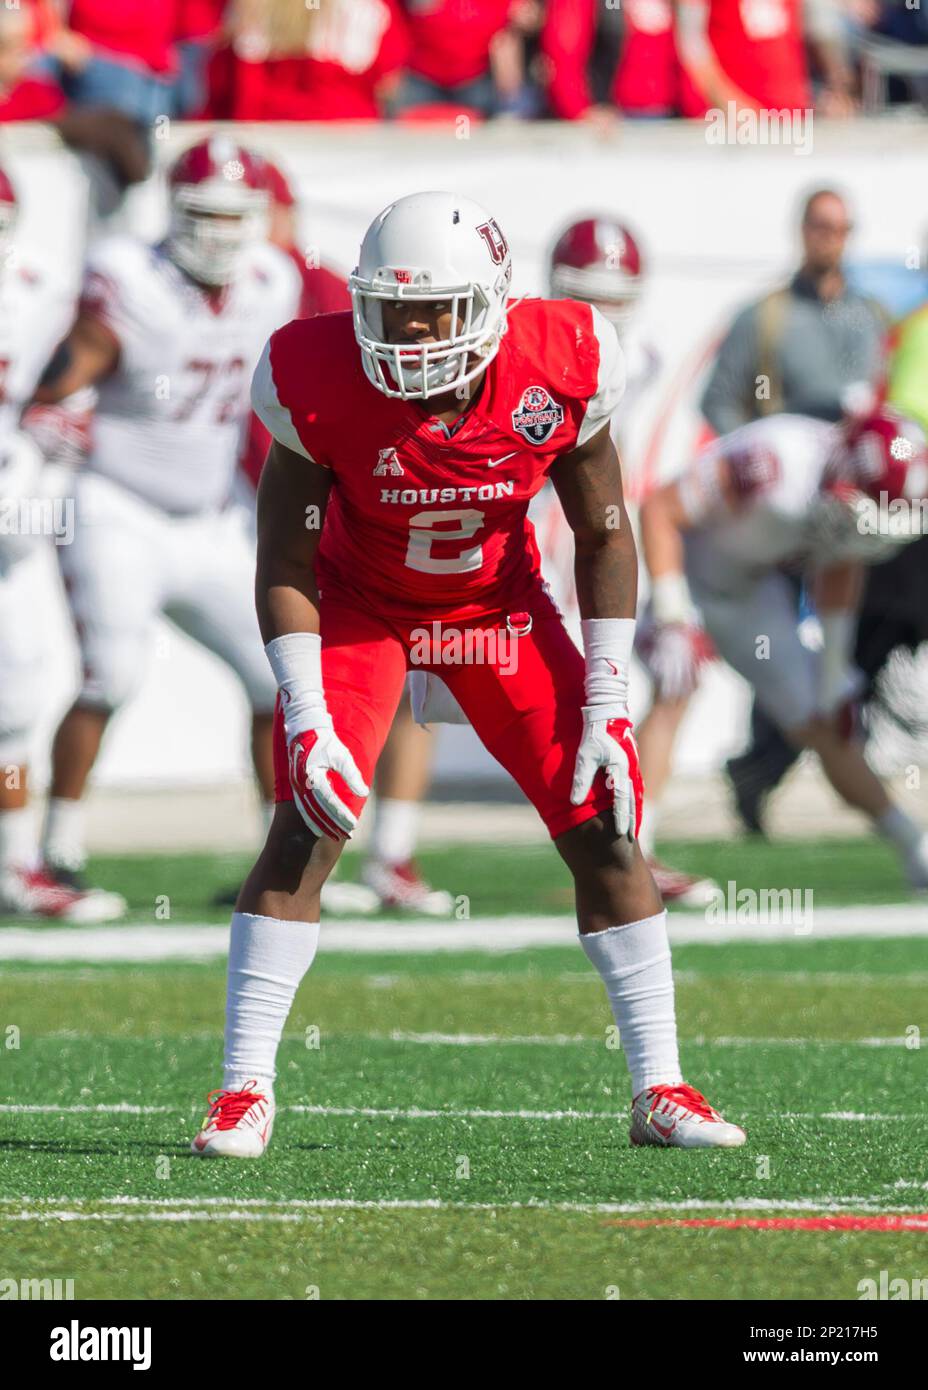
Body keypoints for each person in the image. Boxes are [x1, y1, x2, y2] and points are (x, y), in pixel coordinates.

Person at [190, 190, 746, 1158]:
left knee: (606, 825)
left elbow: (605, 531)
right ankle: (242, 1091)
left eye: (432, 311)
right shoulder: (314, 373)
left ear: (490, 303)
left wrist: (608, 699)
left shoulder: (558, 360)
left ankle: (660, 1084)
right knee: (307, 822)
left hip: (496, 611)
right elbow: (283, 557)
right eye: (390, 308)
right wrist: (308, 706)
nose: (406, 334)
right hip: (360, 604)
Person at [31, 135, 301, 903]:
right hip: (117, 504)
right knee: (110, 675)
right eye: (203, 214)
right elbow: (73, 363)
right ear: (174, 212)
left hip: (211, 514)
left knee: (276, 676)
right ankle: (55, 852)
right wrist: (51, 403)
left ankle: (279, 856)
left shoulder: (270, 281)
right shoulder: (129, 277)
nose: (218, 232)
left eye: (232, 215)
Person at [639, 407, 928, 891]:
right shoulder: (774, 464)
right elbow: (660, 511)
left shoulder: (843, 495)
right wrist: (672, 615)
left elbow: (843, 560)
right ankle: (634, 858)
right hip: (682, 566)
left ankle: (915, 848)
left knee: (823, 717)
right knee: (677, 683)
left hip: (749, 590)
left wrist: (834, 672)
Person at [541, 215, 715, 906]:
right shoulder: (525, 345)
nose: (603, 313)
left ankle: (636, 846)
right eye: (589, 294)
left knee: (676, 673)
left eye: (617, 297)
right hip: (543, 543)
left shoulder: (639, 358)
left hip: (607, 539)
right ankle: (389, 852)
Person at [701, 188, 887, 834]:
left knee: (855, 633)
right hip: (783, 499)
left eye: (839, 227)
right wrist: (753, 465)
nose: (828, 238)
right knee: (773, 639)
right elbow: (721, 401)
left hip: (847, 506)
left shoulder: (869, 317)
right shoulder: (767, 317)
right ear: (801, 230)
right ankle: (763, 765)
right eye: (818, 225)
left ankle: (777, 762)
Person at [0, 163, 122, 920]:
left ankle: (16, 864)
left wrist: (56, 434)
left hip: (11, 501)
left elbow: (69, 387)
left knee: (17, 691)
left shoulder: (38, 290)